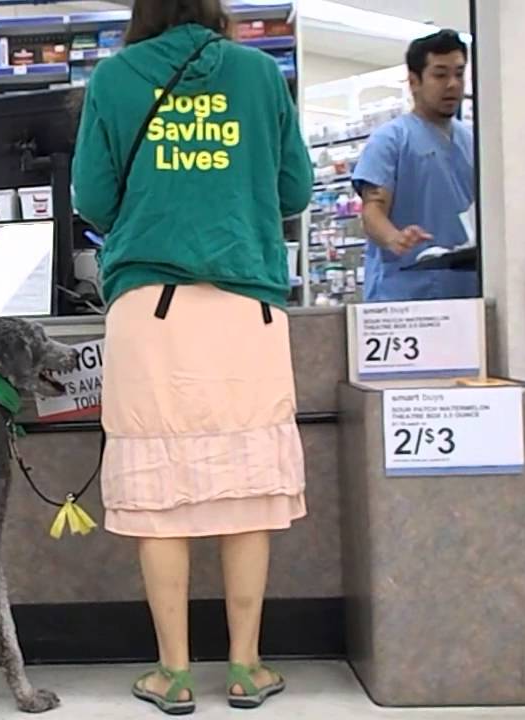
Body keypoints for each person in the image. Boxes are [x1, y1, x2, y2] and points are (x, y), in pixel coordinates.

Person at [72, 0, 312, 713]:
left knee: (157, 493)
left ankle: (173, 674)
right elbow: (295, 189)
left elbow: (92, 198)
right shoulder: (260, 75)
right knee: (248, 491)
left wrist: (159, 205)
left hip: (151, 308)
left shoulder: (114, 79)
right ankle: (245, 667)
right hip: (249, 303)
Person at [353, 29, 476, 302]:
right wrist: (394, 238)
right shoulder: (391, 140)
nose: (453, 84)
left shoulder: (473, 141)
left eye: (459, 73)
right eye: (440, 74)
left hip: (465, 291)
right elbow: (373, 211)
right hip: (403, 296)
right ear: (414, 81)